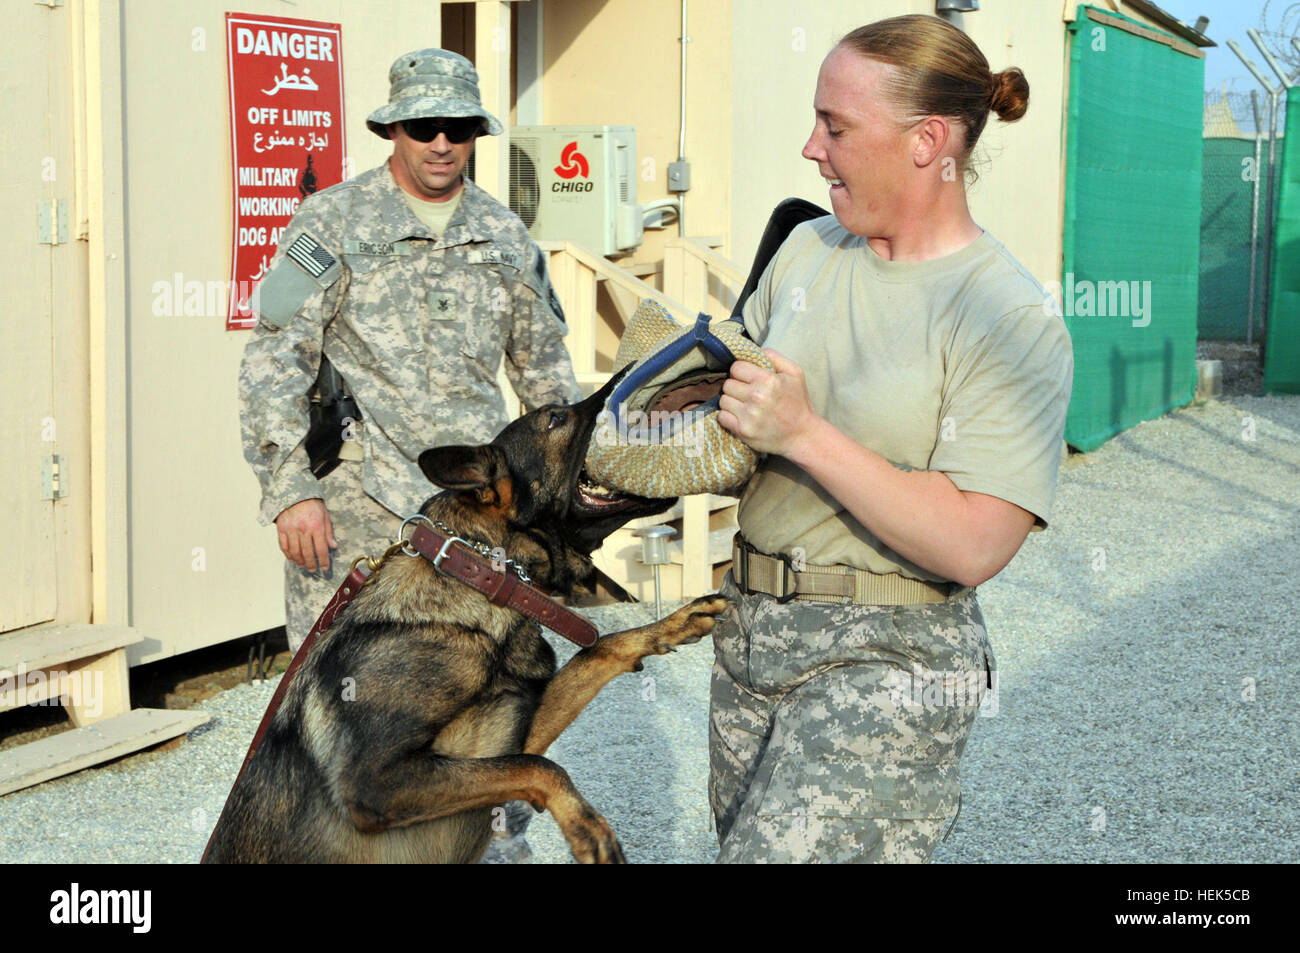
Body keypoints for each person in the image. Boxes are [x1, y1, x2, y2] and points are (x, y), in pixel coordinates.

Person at [711, 15, 1073, 863]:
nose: (811, 147)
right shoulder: (805, 248)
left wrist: (803, 432)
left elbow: (975, 539)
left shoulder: (1006, 315)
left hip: (891, 657)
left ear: (928, 142)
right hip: (750, 637)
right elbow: (734, 416)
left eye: (836, 127)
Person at [239, 48, 582, 661]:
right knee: (335, 685)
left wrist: (561, 487)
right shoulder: (331, 220)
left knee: (465, 680)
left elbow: (545, 372)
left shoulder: (504, 234)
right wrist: (290, 491)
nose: (442, 143)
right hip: (354, 505)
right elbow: (274, 359)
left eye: (461, 128)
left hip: (474, 505)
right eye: (425, 128)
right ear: (393, 129)